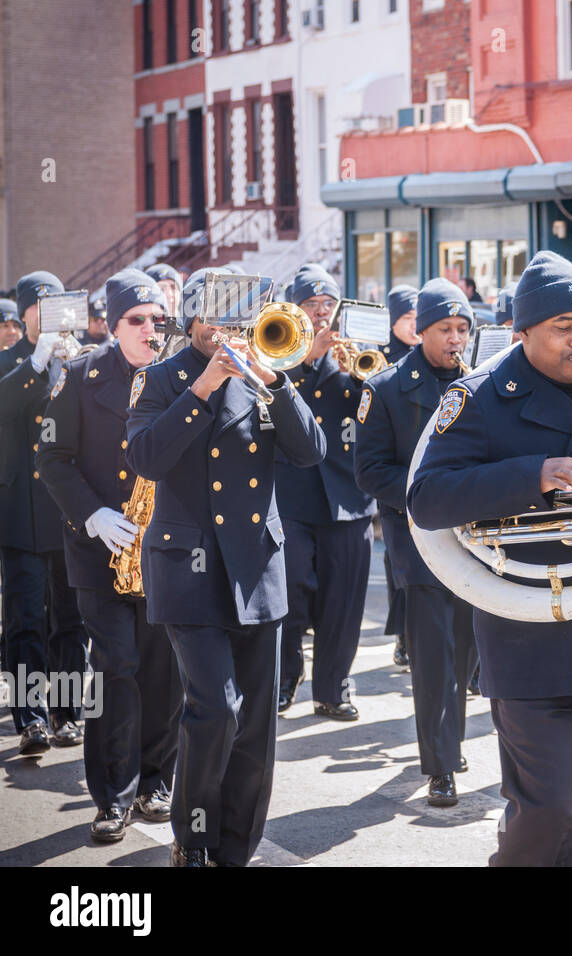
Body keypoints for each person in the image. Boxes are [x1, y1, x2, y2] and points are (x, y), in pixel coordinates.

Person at [408, 251, 572, 866]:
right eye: (563, 328)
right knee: (549, 808)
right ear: (521, 331)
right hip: (530, 632)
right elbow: (427, 498)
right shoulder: (479, 398)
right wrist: (536, 474)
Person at [126, 268, 326, 866]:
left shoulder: (265, 376)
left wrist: (279, 384)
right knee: (215, 708)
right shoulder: (160, 379)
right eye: (220, 314)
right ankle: (193, 838)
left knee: (256, 723)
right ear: (193, 319)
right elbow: (145, 458)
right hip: (187, 570)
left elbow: (310, 451)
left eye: (242, 314)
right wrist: (203, 390)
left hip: (256, 569)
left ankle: (237, 847)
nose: (232, 327)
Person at [37, 269, 182, 842]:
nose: (150, 329)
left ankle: (156, 781)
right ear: (111, 324)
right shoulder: (78, 376)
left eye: (157, 320)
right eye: (137, 320)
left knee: (162, 670)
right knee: (115, 664)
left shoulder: (179, 377)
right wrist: (93, 514)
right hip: (98, 549)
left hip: (163, 547)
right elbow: (53, 460)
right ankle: (112, 795)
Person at [356, 278, 479, 806]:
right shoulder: (384, 389)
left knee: (467, 655)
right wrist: (425, 496)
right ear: (420, 332)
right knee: (435, 657)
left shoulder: (484, 381)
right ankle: (440, 763)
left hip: (476, 540)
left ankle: (448, 739)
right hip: (421, 539)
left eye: (462, 329)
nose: (456, 339)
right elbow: (370, 471)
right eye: (445, 329)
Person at [275, 264, 377, 719]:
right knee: (290, 595)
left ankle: (333, 689)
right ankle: (284, 677)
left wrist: (359, 378)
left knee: (343, 603)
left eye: (327, 305)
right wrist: (305, 359)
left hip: (347, 497)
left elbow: (377, 415)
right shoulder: (277, 350)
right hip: (291, 495)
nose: (320, 313)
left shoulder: (355, 354)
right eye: (311, 305)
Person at [0, 271, 90, 755]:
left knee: (71, 619)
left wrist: (79, 365)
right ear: (26, 311)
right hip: (19, 511)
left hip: (68, 509)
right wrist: (37, 359)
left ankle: (69, 712)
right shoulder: (11, 360)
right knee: (24, 620)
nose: (51, 317)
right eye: (42, 307)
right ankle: (31, 719)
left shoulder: (78, 359)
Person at [379, 283, 420, 668]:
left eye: (416, 318)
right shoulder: (381, 359)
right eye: (406, 319)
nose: (413, 326)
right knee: (399, 571)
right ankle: (405, 637)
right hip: (397, 484)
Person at [383, 283, 419, 367]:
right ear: (393, 322)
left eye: (418, 317)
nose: (415, 325)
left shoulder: (428, 349)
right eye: (408, 318)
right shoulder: (376, 351)